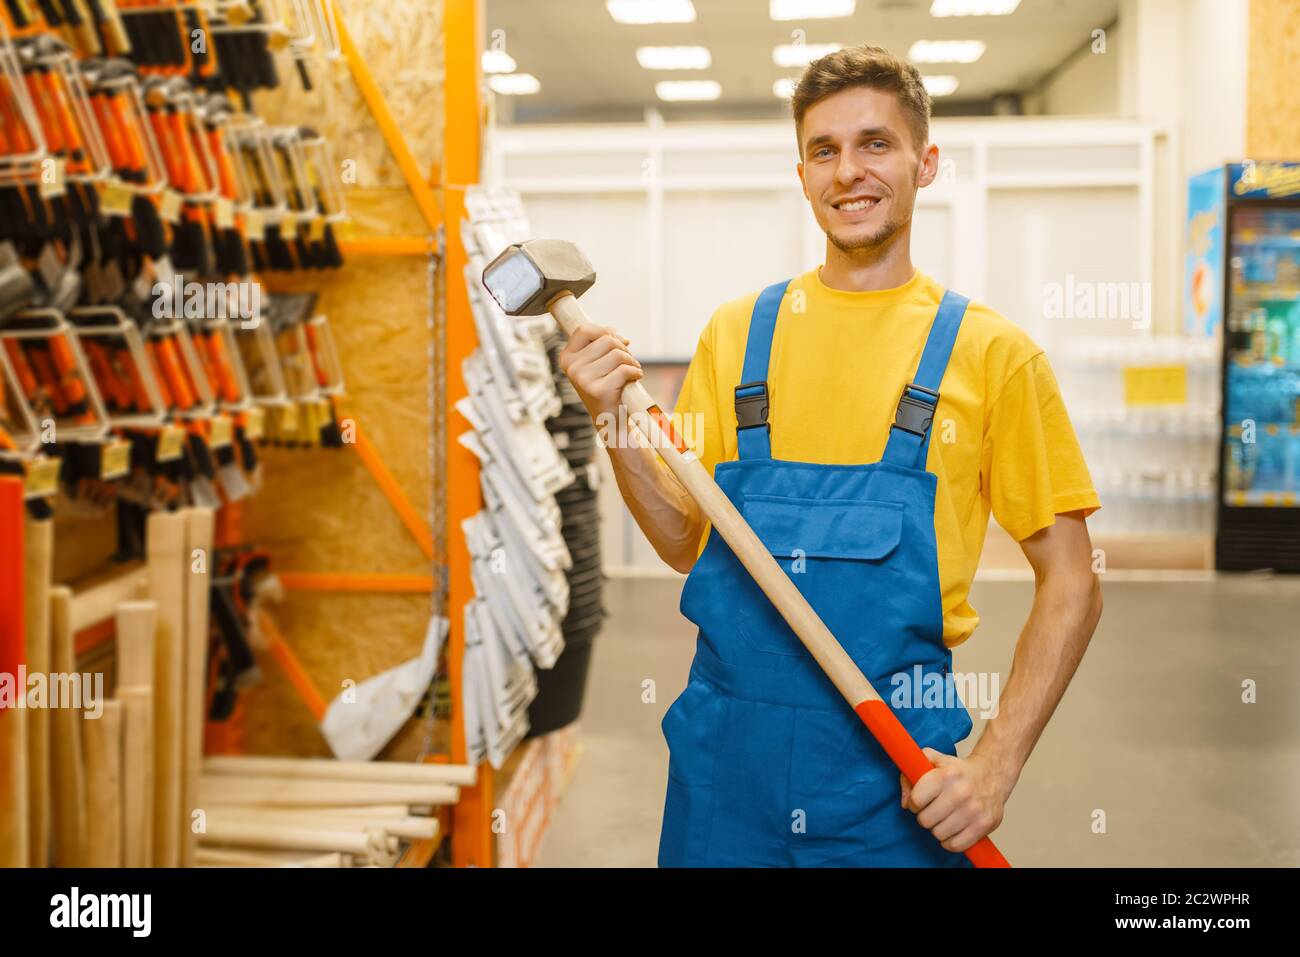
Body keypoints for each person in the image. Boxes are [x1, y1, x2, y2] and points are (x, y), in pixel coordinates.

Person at [558, 44, 1103, 867]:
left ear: (926, 162)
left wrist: (994, 766)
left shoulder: (993, 355)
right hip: (724, 769)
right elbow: (683, 541)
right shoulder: (738, 334)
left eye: (875, 144)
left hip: (892, 776)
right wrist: (611, 420)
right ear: (804, 171)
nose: (849, 171)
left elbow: (1074, 577)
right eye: (825, 150)